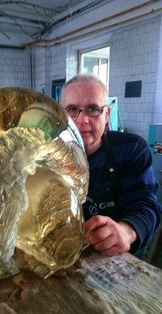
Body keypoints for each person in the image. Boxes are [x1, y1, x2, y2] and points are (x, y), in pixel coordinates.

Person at [61, 74, 161, 257]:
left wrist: (126, 231)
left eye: (93, 109)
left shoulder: (131, 150)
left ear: (106, 115)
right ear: (61, 115)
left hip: (119, 263)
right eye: (73, 109)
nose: (82, 120)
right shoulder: (47, 156)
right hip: (65, 256)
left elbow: (147, 206)